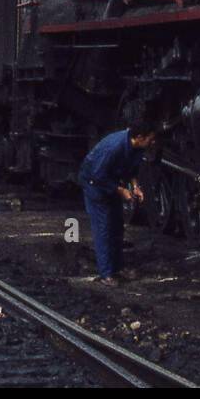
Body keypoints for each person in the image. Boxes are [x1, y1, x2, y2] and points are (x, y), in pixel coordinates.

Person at [78, 121, 158, 284]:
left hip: (110, 181)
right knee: (104, 227)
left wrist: (135, 187)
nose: (153, 142)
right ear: (140, 137)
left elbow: (131, 169)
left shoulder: (137, 146)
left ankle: (117, 268)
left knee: (117, 225)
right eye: (151, 139)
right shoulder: (113, 148)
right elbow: (97, 175)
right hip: (95, 185)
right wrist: (121, 190)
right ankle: (106, 274)